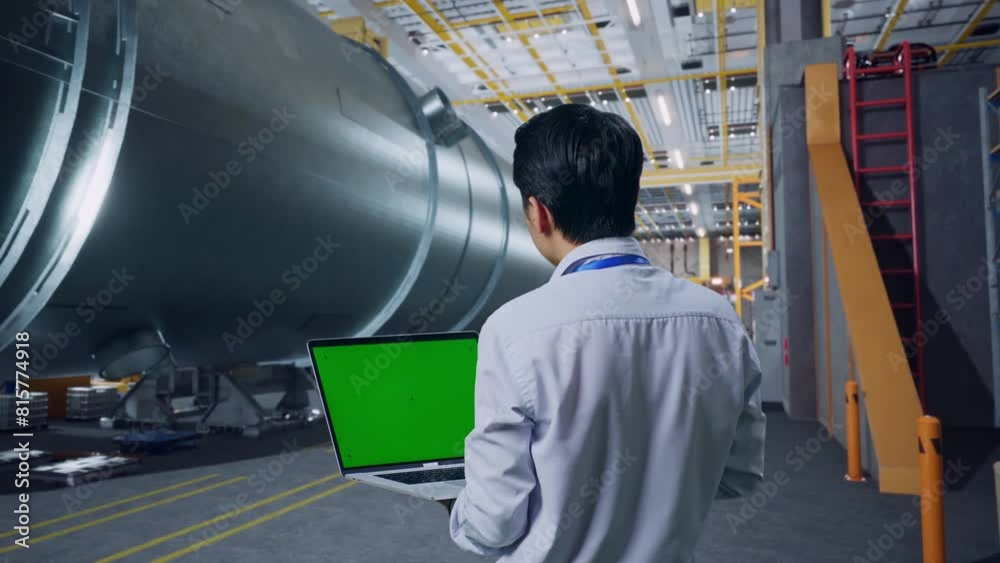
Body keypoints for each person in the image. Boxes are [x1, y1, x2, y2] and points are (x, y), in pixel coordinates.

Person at [442, 104, 765, 563]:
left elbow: (494, 523)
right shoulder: (718, 320)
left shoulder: (514, 329)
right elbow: (739, 476)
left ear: (539, 212)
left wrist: (460, 510)